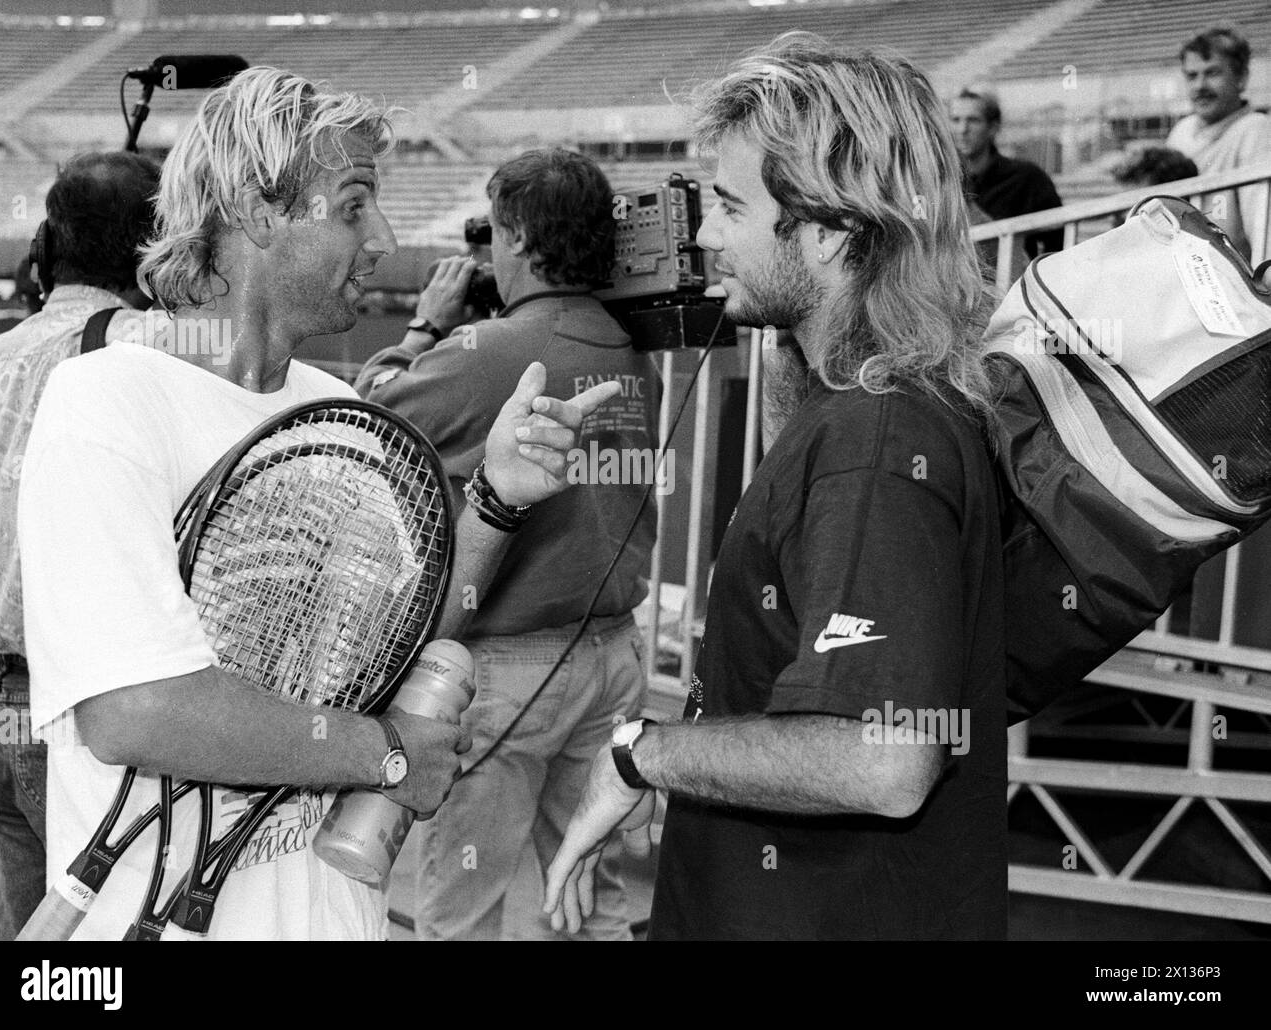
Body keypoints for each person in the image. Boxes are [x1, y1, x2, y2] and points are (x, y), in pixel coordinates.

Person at [16, 68, 620, 941]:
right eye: (352, 206)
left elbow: (400, 646)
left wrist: (495, 502)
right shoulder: (104, 402)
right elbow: (133, 710)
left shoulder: (343, 413)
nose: (382, 238)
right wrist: (385, 755)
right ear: (256, 212)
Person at [543, 32, 1008, 941]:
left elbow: (884, 759)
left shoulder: (876, 441)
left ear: (829, 230)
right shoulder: (874, 407)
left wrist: (641, 756)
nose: (705, 236)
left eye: (728, 206)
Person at [357, 148, 658, 940]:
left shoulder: (488, 350)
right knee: (587, 898)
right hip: (613, 656)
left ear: (519, 237)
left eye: (495, 231)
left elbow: (365, 415)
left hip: (509, 670)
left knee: (463, 912)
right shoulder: (630, 349)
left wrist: (426, 327)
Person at [0, 150, 160, 940]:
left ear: (47, 248)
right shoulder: (153, 350)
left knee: (35, 932)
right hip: (72, 714)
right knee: (107, 928)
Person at [1165, 25, 1271, 261]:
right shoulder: (1181, 131)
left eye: (1212, 73)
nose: (1200, 86)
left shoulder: (1255, 130)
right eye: (1192, 76)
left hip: (1233, 276)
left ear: (1241, 78)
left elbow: (1265, 230)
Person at [950, 86, 1063, 262]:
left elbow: (1057, 243)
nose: (962, 129)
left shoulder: (1027, 178)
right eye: (955, 120)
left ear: (993, 128)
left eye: (973, 120)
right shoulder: (941, 181)